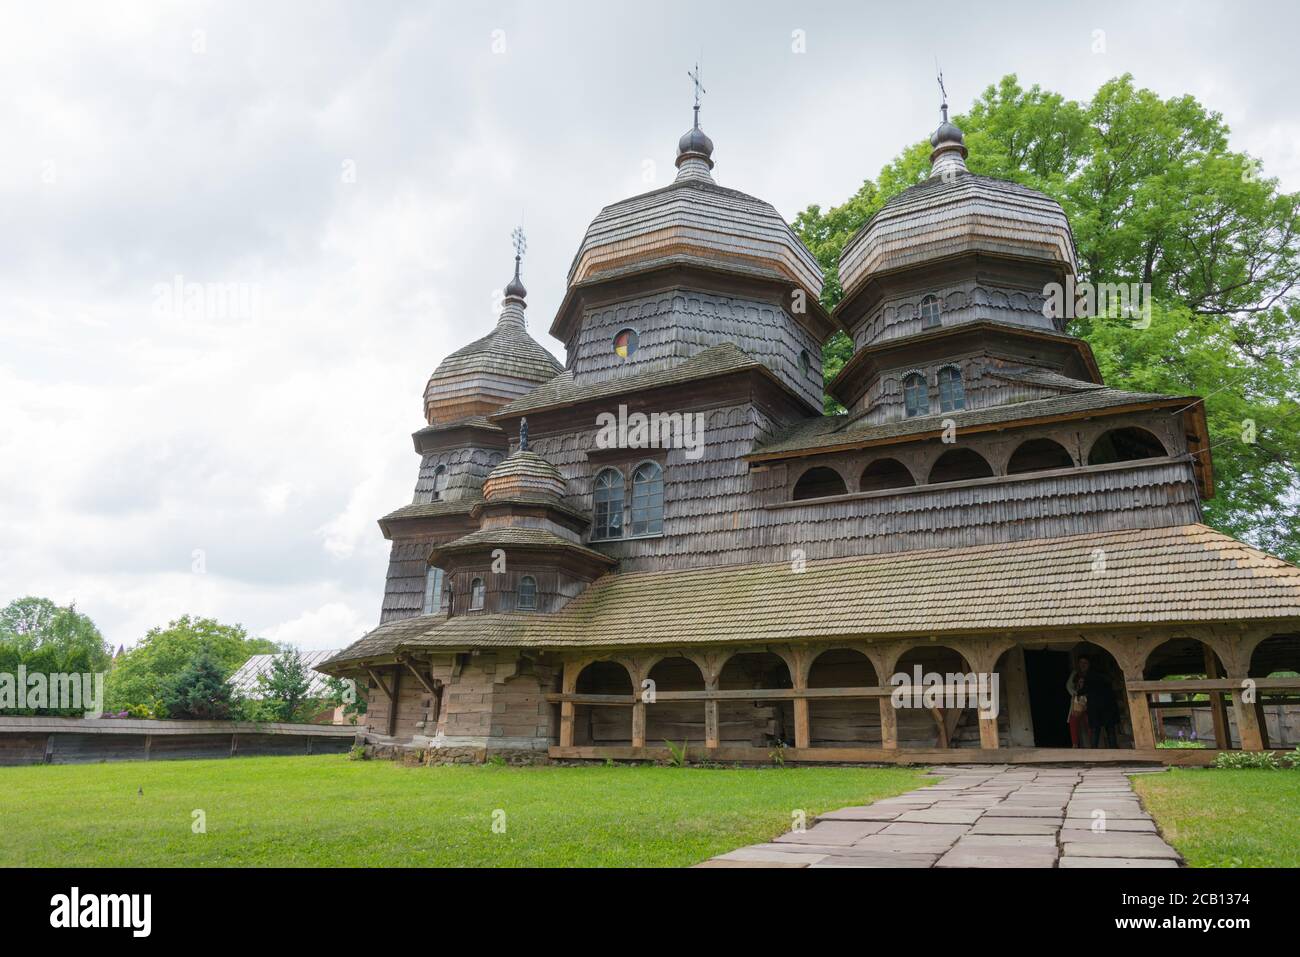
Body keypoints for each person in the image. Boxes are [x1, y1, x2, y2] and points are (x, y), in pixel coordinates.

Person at [1085, 665, 1121, 749]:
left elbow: (1084, 690)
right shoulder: (1107, 677)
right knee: (1110, 730)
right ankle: (1114, 752)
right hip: (1108, 706)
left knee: (1095, 730)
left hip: (1095, 707)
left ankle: (1094, 753)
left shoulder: (1089, 676)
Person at [1065, 655, 1091, 747]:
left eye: (1085, 663)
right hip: (1076, 701)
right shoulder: (1075, 673)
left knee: (1090, 723)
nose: (1083, 665)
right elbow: (1068, 685)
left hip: (1089, 702)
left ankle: (1093, 744)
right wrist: (1075, 693)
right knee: (1073, 722)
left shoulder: (1091, 674)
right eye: (1081, 662)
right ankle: (1075, 744)